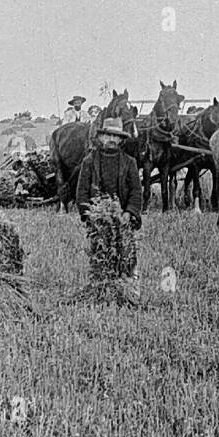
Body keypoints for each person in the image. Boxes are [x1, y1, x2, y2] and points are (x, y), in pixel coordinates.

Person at [75, 116, 143, 303]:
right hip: (99, 220)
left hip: (123, 218)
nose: (111, 140)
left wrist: (129, 213)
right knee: (101, 256)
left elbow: (137, 192)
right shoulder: (90, 161)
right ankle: (101, 293)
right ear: (101, 138)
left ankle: (130, 295)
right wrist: (91, 215)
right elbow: (81, 192)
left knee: (127, 256)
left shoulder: (129, 162)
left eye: (115, 136)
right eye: (108, 136)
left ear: (121, 140)